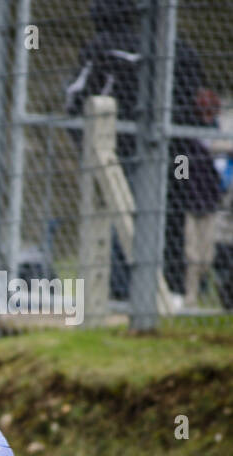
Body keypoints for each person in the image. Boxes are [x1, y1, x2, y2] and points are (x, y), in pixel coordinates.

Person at [66, 0, 220, 302]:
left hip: (121, 148)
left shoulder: (103, 46)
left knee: (122, 211)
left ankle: (126, 293)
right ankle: (172, 288)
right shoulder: (181, 48)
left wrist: (81, 140)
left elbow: (76, 96)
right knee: (169, 211)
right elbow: (197, 103)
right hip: (177, 152)